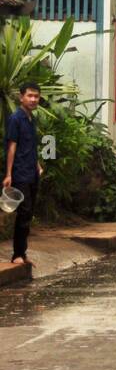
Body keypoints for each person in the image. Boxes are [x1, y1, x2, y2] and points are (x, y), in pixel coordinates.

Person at [4, 82, 42, 265]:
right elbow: (12, 146)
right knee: (24, 212)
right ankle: (17, 255)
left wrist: (37, 164)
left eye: (36, 96)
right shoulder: (16, 118)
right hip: (19, 173)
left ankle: (23, 253)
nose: (33, 99)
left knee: (29, 212)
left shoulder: (31, 118)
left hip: (32, 172)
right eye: (30, 96)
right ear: (21, 97)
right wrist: (8, 174)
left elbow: (31, 146)